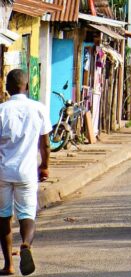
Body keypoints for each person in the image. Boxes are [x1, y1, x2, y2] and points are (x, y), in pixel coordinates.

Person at [0, 69, 50, 275]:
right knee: (27, 215)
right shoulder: (39, 109)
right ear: (27, 86)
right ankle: (26, 245)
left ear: (7, 88)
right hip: (27, 172)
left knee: (3, 216)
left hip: (3, 172)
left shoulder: (1, 110)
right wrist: (45, 165)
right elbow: (45, 144)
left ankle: (8, 265)